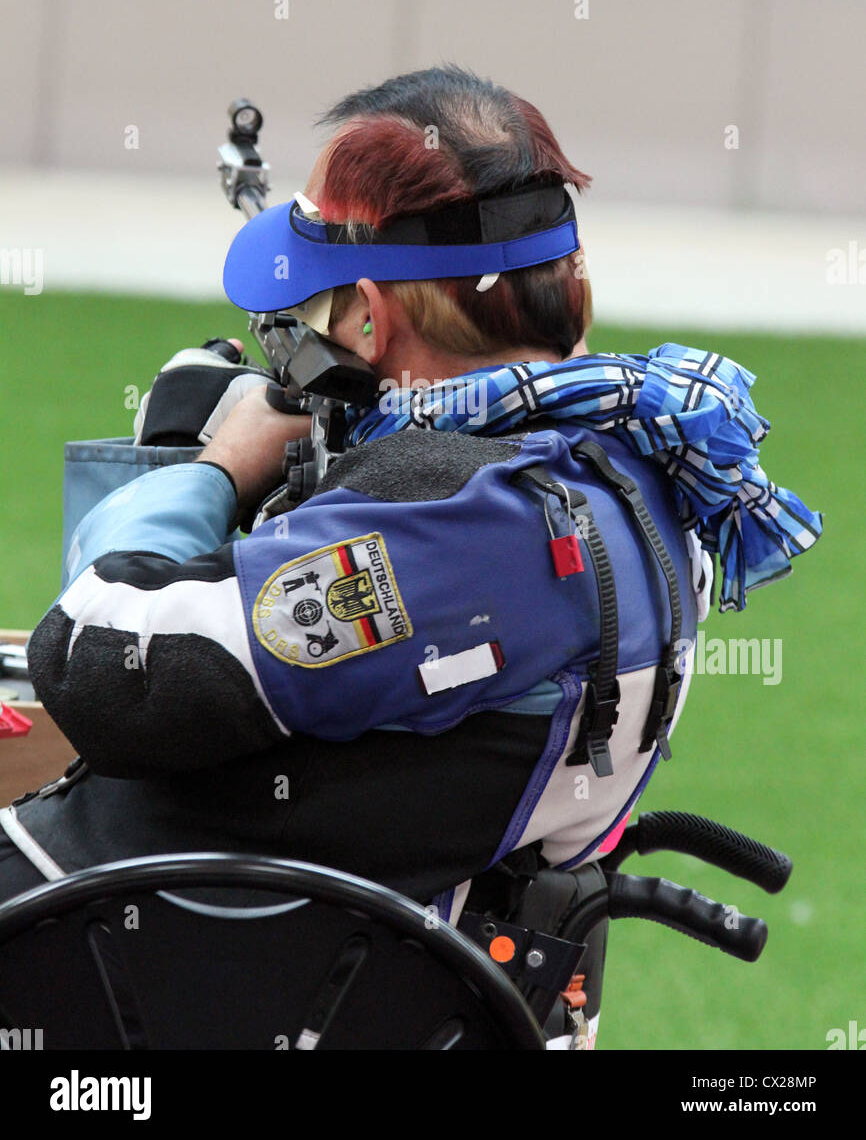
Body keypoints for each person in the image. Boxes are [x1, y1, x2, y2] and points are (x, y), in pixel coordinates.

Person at [0, 67, 821, 935]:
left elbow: (100, 662)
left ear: (369, 318)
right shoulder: (645, 460)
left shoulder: (463, 521)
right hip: (399, 949)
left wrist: (206, 468)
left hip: (209, 953)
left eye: (319, 302)